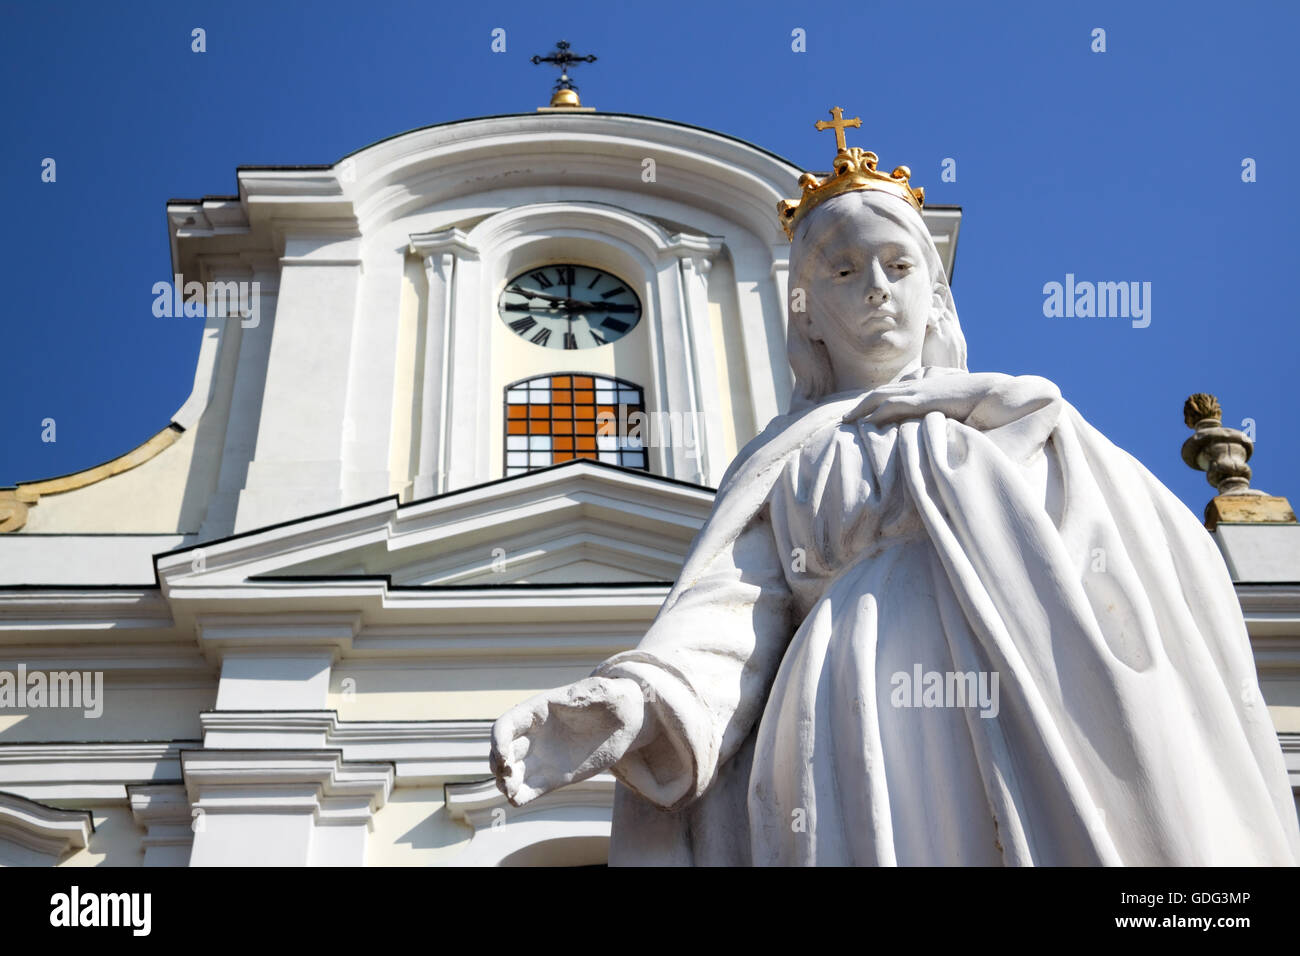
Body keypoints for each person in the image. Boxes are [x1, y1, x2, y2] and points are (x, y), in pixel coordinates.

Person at [490, 120, 1300, 865]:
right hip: (844, 721)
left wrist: (1038, 442)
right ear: (808, 316)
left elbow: (1131, 571)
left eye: (899, 265)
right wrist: (638, 699)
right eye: (844, 271)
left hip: (1032, 700)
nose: (876, 287)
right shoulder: (787, 457)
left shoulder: (1016, 411)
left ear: (935, 294)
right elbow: (732, 613)